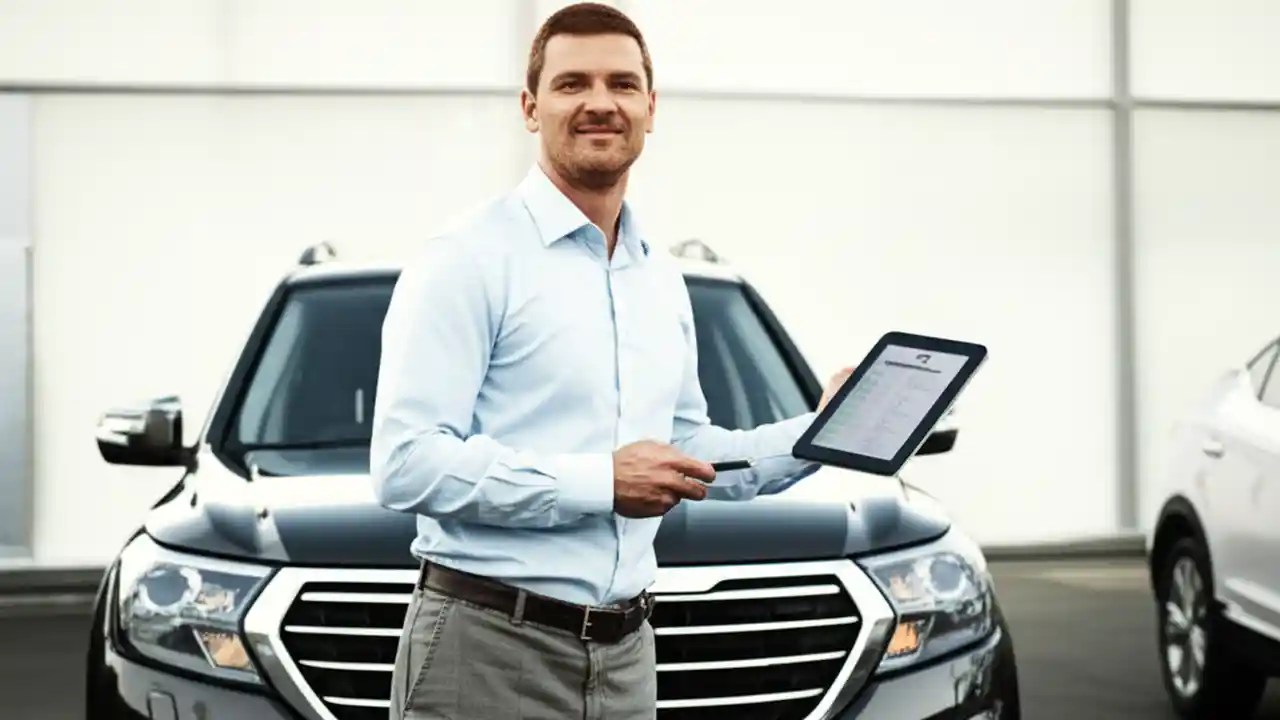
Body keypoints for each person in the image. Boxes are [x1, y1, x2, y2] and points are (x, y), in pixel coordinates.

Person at [369, 3, 853, 718]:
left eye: (622, 84)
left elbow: (685, 452)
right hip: (487, 648)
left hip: (628, 658)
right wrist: (601, 481)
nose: (601, 103)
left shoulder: (659, 275)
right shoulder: (467, 259)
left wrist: (822, 432)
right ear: (531, 108)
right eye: (572, 84)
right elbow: (406, 462)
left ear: (651, 109)